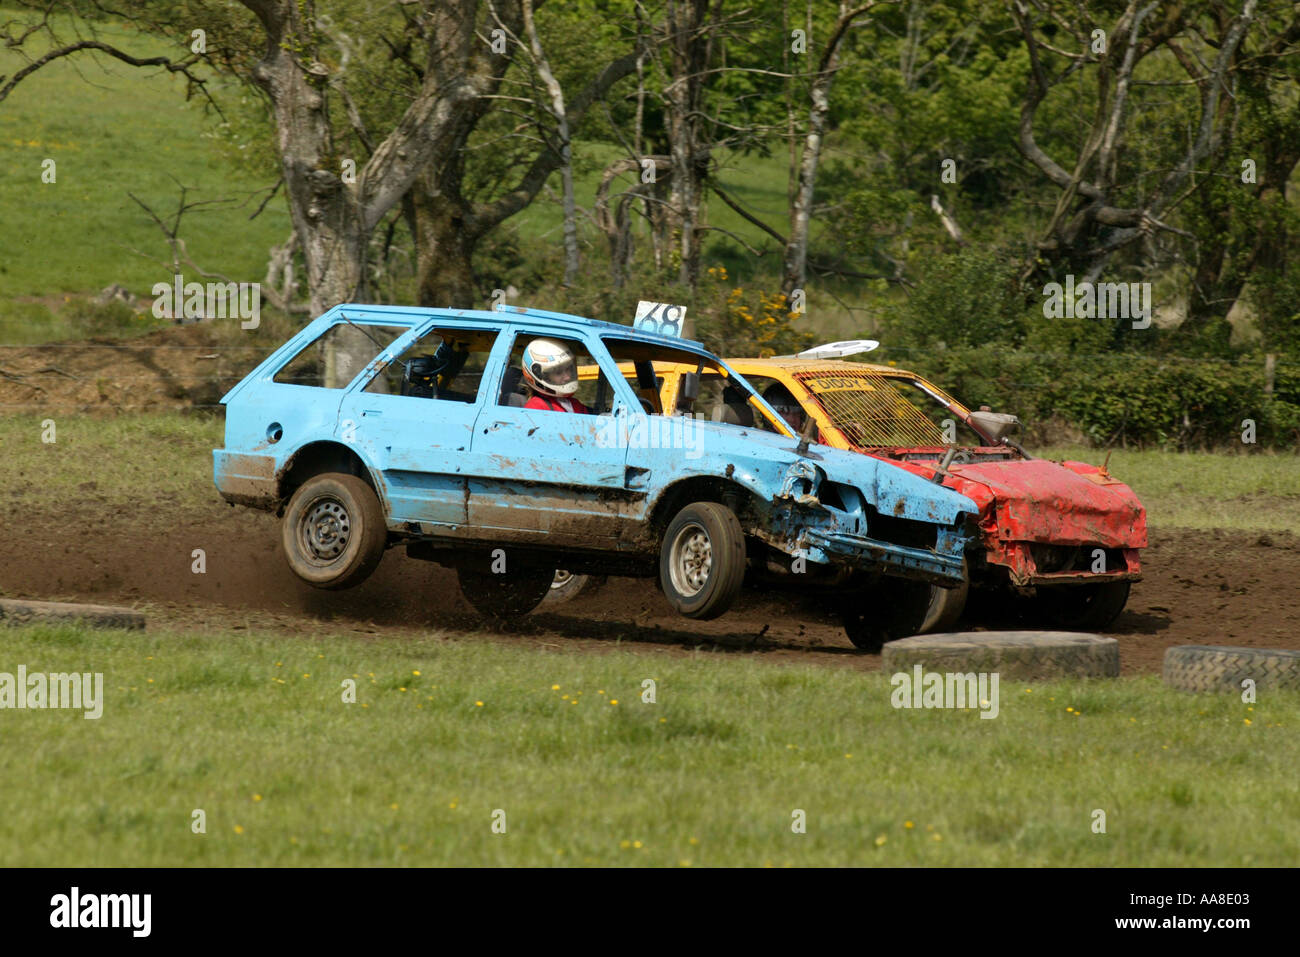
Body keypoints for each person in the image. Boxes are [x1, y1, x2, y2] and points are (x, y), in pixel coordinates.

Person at [520, 338, 589, 413]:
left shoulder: (575, 404)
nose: (567, 377)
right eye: (558, 372)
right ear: (542, 376)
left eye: (568, 369)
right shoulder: (535, 407)